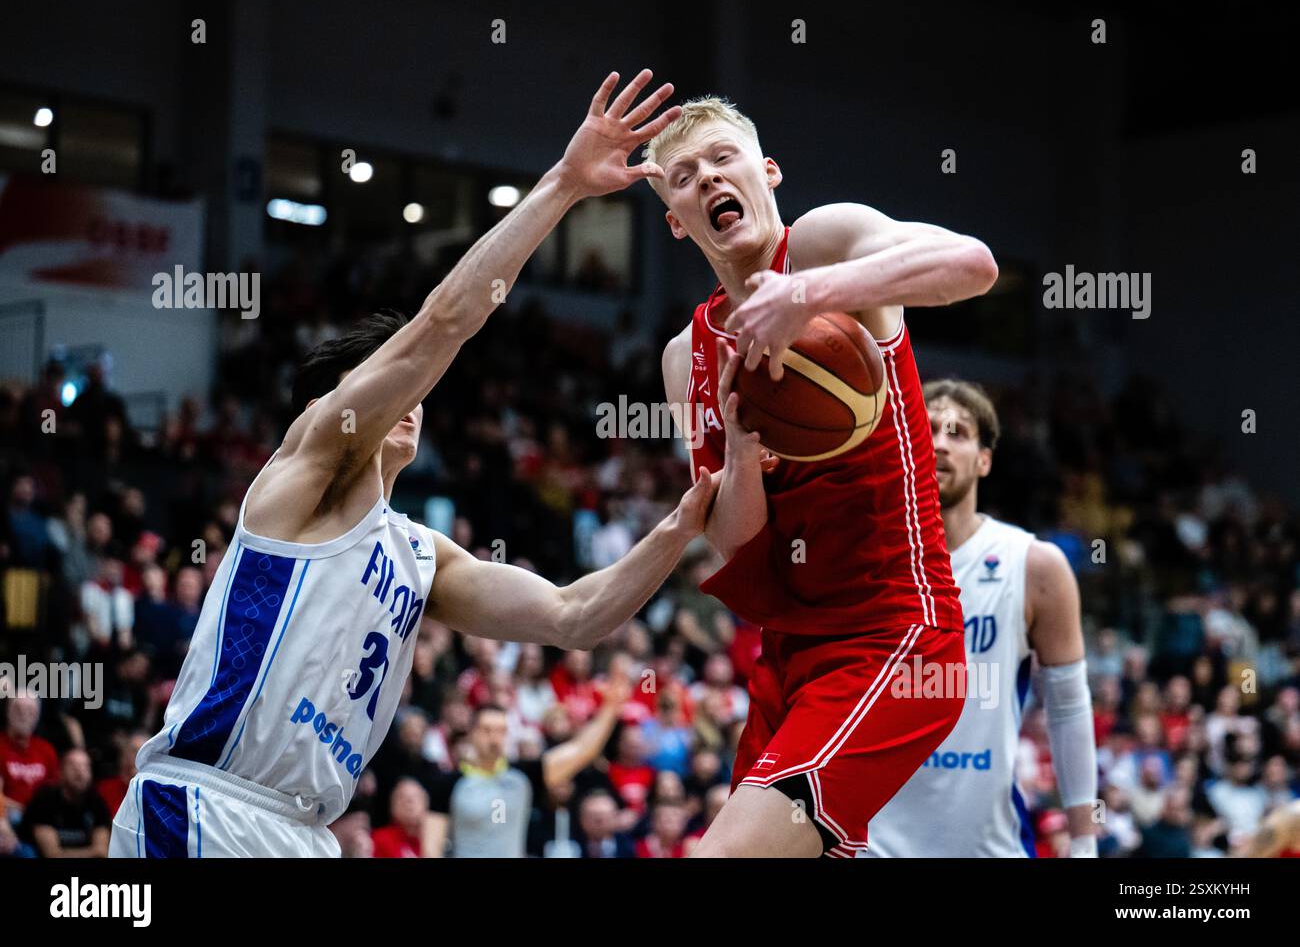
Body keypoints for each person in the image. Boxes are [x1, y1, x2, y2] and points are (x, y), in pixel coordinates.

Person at [108, 70, 714, 858]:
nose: (412, 400)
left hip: (304, 833)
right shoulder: (314, 470)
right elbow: (449, 319)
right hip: (205, 805)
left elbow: (576, 617)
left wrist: (682, 520)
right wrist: (564, 185)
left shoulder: (420, 556)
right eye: (389, 383)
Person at [649, 97, 997, 857]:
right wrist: (740, 453)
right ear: (675, 219)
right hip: (786, 661)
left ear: (766, 171)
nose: (707, 179)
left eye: (722, 158)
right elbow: (731, 542)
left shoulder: (825, 243)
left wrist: (810, 293)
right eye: (684, 176)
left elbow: (974, 264)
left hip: (894, 636)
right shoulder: (687, 357)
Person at [866, 379, 1098, 856]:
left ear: (984, 459)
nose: (940, 443)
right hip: (872, 844)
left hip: (988, 844)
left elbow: (1069, 709)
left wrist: (1085, 844)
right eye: (927, 428)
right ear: (905, 444)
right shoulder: (861, 560)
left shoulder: (1034, 565)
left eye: (958, 432)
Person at [426, 672, 630, 858]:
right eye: (487, 730)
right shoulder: (448, 783)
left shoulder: (523, 775)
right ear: (472, 733)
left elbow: (582, 750)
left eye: (501, 731)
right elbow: (431, 849)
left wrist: (610, 708)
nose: (494, 738)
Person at [21, 748, 111, 858]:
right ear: (60, 772)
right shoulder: (44, 800)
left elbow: (101, 852)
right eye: (73, 766)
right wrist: (91, 852)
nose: (80, 772)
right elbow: (52, 854)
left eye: (85, 767)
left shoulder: (97, 802)